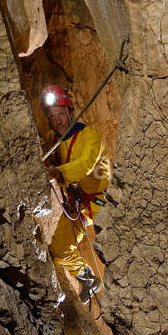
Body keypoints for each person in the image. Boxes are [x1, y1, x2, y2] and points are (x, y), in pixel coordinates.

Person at [40, 84, 112, 316]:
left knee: (114, 249)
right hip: (78, 204)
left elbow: (86, 164)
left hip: (103, 203)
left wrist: (58, 174)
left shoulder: (89, 136)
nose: (59, 120)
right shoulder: (54, 140)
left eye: (62, 114)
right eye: (53, 117)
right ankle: (88, 278)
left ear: (71, 112)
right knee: (59, 249)